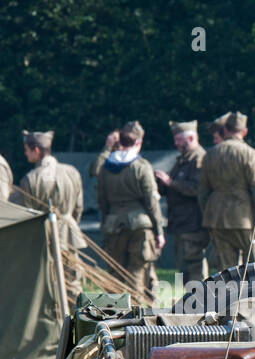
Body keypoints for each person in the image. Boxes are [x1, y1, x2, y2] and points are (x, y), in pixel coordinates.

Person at [15, 130, 87, 310]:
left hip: (43, 237)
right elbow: (78, 208)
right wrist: (70, 225)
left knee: (48, 284)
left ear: (36, 150)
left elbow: (27, 214)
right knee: (73, 284)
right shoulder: (72, 172)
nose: (25, 153)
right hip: (70, 235)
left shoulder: (30, 179)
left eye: (27, 149)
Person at [96, 121, 165, 298]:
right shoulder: (141, 166)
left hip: (114, 224)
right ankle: (135, 316)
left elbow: (102, 200)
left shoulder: (105, 168)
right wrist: (158, 231)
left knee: (115, 273)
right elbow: (151, 201)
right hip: (140, 225)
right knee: (137, 272)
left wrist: (105, 221)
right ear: (138, 143)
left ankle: (112, 315)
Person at [199, 111, 255, 270]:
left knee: (227, 271)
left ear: (225, 131)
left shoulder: (210, 155)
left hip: (216, 217)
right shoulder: (250, 154)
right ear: (244, 132)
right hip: (244, 218)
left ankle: (231, 295)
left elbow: (203, 192)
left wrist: (208, 213)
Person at [156, 120, 208, 283]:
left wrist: (171, 183)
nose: (176, 143)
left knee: (194, 265)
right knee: (183, 267)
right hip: (181, 223)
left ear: (191, 138)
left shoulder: (199, 159)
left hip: (193, 223)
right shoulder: (182, 160)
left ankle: (202, 302)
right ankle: (190, 302)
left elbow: (197, 188)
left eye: (179, 140)